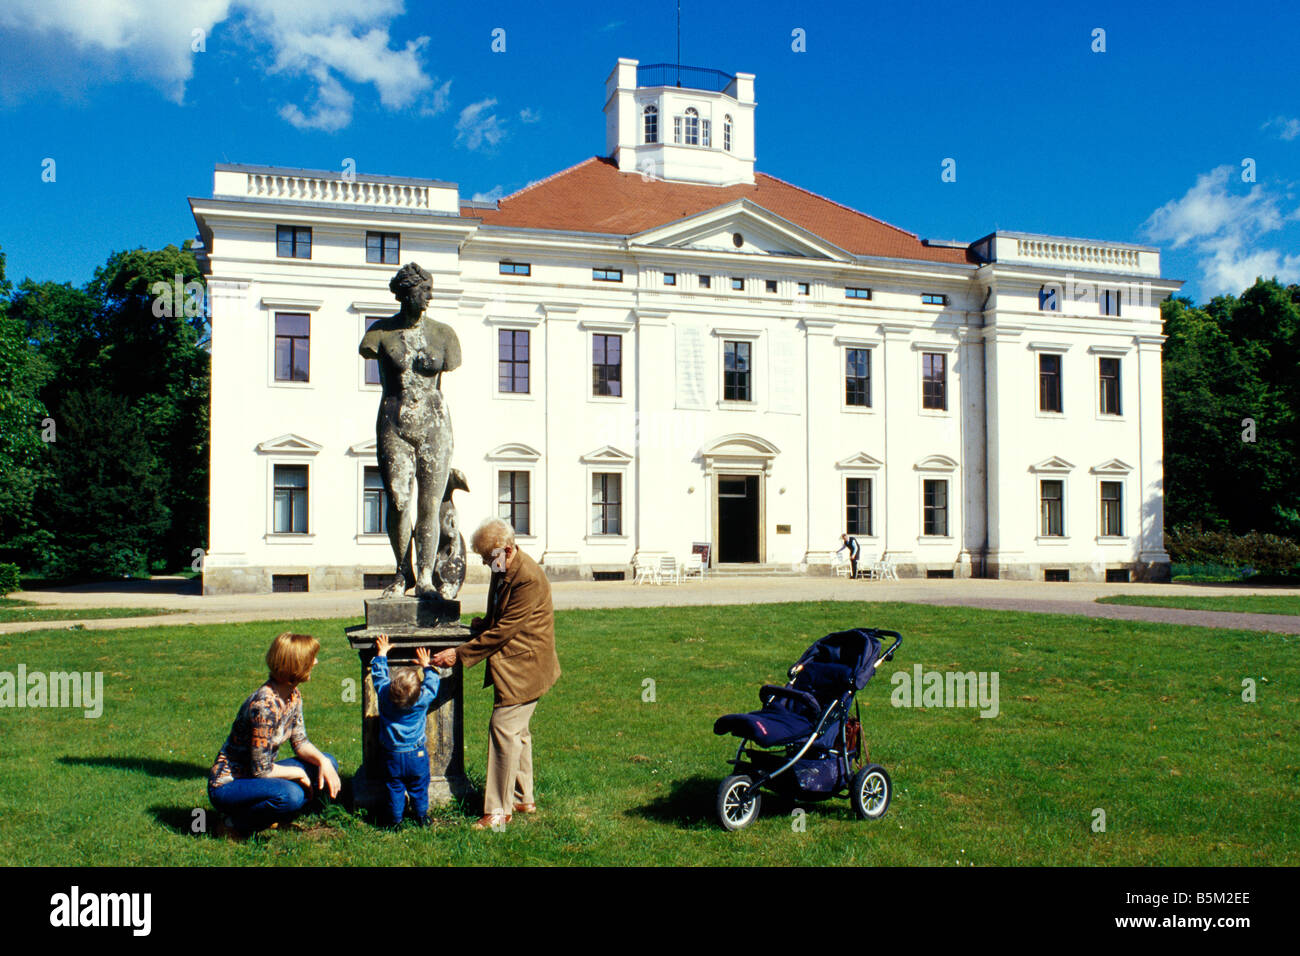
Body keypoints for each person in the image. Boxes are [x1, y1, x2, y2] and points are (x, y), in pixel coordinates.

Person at [431, 518, 560, 830]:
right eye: (483, 558)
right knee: (519, 733)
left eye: (490, 558)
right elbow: (500, 613)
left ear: (509, 549)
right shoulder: (504, 567)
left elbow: (505, 631)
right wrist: (485, 621)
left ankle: (498, 813)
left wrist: (459, 655)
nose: (488, 564)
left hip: (526, 667)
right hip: (522, 663)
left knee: (503, 729)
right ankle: (522, 798)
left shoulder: (528, 576)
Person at [359, 262, 463, 599]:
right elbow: (371, 350)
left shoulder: (444, 334)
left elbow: (450, 363)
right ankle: (401, 573)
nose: (430, 296)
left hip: (434, 425)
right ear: (406, 292)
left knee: (429, 506)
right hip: (394, 420)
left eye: (431, 289)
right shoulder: (380, 333)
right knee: (399, 499)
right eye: (424, 289)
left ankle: (426, 577)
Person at [207, 632, 340, 837]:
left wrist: (322, 761)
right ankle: (233, 823)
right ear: (296, 665)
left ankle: (267, 816)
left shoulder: (292, 694)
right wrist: (298, 774)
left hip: (257, 776)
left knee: (329, 763)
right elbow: (261, 771)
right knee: (291, 795)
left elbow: (300, 741)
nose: (316, 662)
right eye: (310, 658)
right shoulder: (264, 707)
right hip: (230, 785)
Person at [370, 634, 440, 827]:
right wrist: (426, 665)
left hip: (391, 754)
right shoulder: (421, 700)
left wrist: (382, 653)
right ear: (418, 691)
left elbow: (379, 676)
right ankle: (421, 816)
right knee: (419, 786)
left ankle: (395, 820)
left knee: (394, 788)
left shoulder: (385, 695)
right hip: (416, 754)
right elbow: (433, 685)